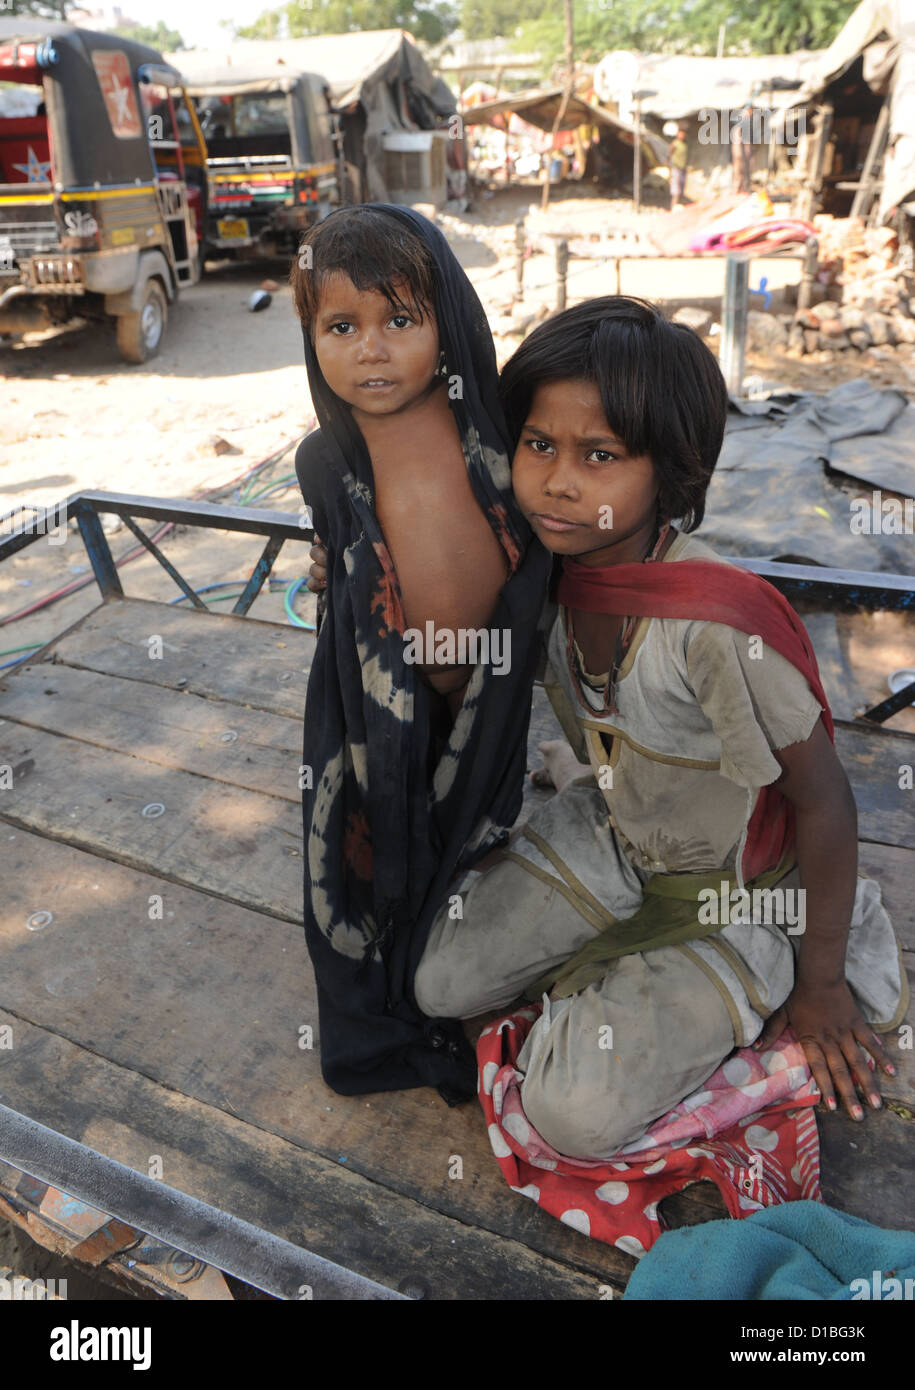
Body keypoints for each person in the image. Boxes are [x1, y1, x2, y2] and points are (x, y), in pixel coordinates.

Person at [410, 296, 906, 1159]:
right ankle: (612, 947)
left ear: (671, 474)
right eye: (539, 445)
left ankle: (776, 966)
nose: (558, 481)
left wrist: (821, 985)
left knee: (571, 1120)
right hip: (620, 826)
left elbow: (825, 804)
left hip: (736, 890)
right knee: (437, 985)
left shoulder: (714, 626)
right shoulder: (541, 575)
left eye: (599, 456)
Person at [290, 204, 551, 1103]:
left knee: (477, 854)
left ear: (446, 322)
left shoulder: (500, 428)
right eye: (341, 326)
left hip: (487, 706)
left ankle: (466, 981)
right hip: (381, 716)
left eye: (400, 319)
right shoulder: (324, 461)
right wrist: (334, 566)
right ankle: (385, 1024)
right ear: (311, 338)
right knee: (370, 865)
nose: (372, 348)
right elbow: (347, 558)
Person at [731, 106, 754, 193]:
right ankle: (737, 188)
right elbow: (737, 153)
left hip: (745, 151)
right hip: (739, 152)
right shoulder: (739, 126)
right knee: (738, 168)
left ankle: (745, 188)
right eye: (749, 112)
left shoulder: (748, 125)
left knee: (746, 168)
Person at [667, 125, 688, 209]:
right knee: (676, 191)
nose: (682, 135)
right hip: (676, 169)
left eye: (683, 134)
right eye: (680, 133)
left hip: (683, 169)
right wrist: (669, 169)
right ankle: (673, 208)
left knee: (682, 189)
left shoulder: (685, 144)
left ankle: (678, 207)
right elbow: (668, 156)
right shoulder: (675, 144)